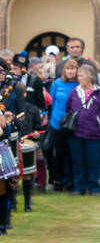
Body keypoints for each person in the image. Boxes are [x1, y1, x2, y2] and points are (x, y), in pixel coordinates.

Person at [66, 61, 100, 195]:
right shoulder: (74, 92)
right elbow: (68, 108)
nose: (79, 78)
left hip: (94, 133)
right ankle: (79, 187)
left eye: (82, 76)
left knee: (93, 162)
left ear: (90, 77)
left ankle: (94, 188)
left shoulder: (98, 93)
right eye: (79, 76)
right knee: (78, 162)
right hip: (76, 133)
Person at [48, 56, 79, 191]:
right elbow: (51, 101)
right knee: (59, 153)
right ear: (64, 70)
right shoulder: (57, 83)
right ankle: (58, 180)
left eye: (73, 69)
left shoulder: (79, 84)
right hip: (58, 122)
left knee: (72, 153)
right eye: (68, 69)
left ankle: (71, 181)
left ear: (77, 71)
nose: (70, 71)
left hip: (74, 123)